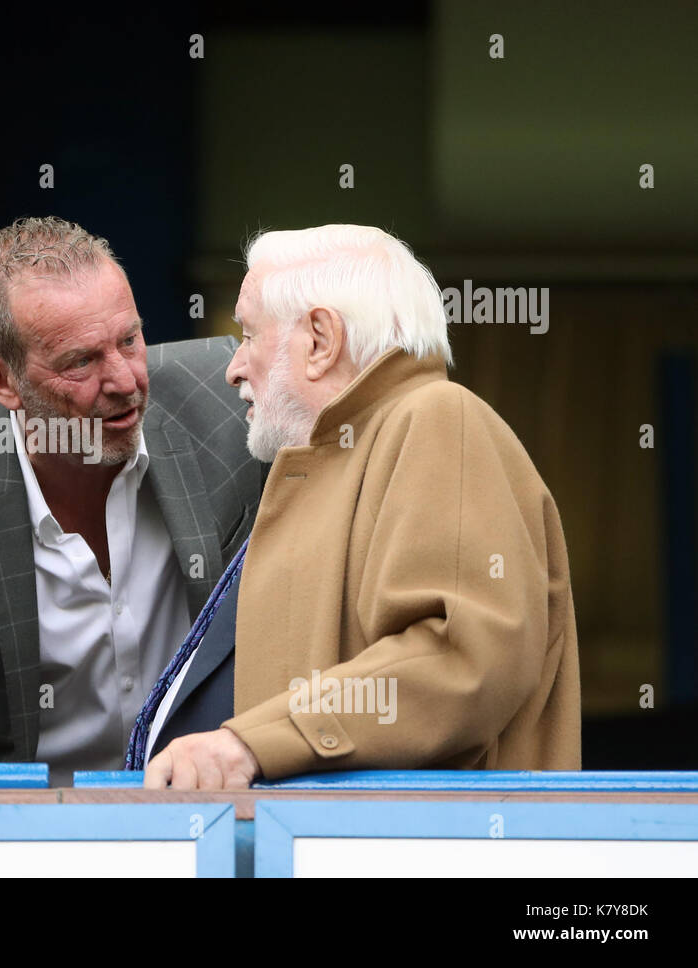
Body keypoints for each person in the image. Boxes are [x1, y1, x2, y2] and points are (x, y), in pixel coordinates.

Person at [131, 224, 581, 790]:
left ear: (320, 339)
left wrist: (253, 744)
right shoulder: (348, 452)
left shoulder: (438, 417)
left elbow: (462, 658)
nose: (233, 368)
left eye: (248, 335)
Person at [0, 217, 264, 781]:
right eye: (81, 362)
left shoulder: (231, 402)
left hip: (202, 817)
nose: (125, 380)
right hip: (26, 837)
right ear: (1, 380)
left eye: (129, 340)